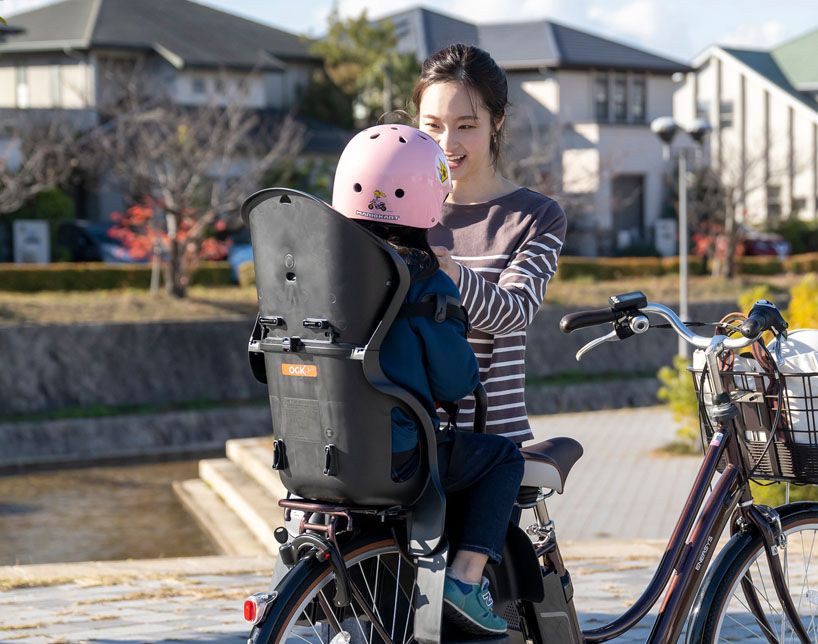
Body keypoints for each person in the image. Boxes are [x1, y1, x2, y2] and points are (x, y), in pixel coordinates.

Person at [332, 123, 525, 636]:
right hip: (398, 460)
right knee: (503, 458)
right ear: (428, 198)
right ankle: (465, 580)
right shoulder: (423, 278)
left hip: (323, 455)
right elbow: (456, 382)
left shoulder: (324, 274)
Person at [413, 44, 568, 444]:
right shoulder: (399, 209)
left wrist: (450, 274)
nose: (447, 143)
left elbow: (515, 311)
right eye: (432, 125)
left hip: (486, 446)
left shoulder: (534, 217)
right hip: (401, 440)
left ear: (496, 121)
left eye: (466, 126)